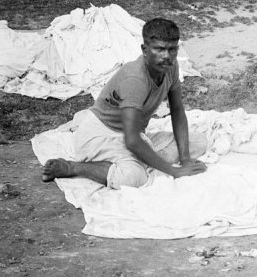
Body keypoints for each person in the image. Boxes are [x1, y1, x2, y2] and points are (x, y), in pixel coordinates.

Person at [42, 18, 207, 188]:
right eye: (159, 49)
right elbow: (132, 140)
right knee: (134, 178)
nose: (166, 56)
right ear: (145, 50)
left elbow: (177, 110)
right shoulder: (135, 79)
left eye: (172, 49)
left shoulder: (171, 67)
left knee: (198, 141)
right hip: (101, 134)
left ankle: (140, 161)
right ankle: (74, 167)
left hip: (133, 133)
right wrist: (174, 171)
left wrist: (185, 160)